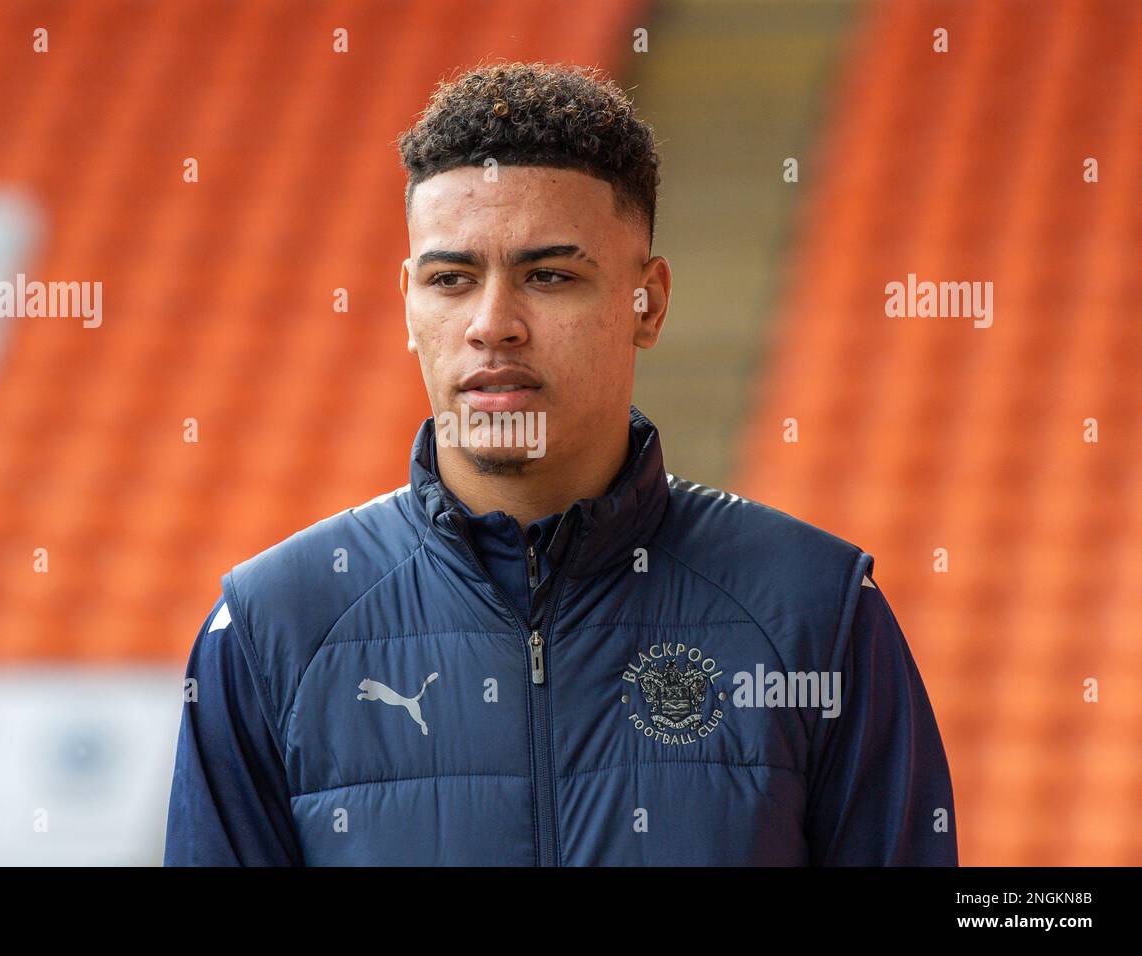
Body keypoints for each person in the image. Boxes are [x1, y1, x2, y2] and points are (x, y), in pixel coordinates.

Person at [163, 60, 958, 866]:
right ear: (407, 303)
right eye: (451, 278)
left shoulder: (816, 612)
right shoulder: (270, 627)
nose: (493, 324)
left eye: (549, 276)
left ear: (647, 302)